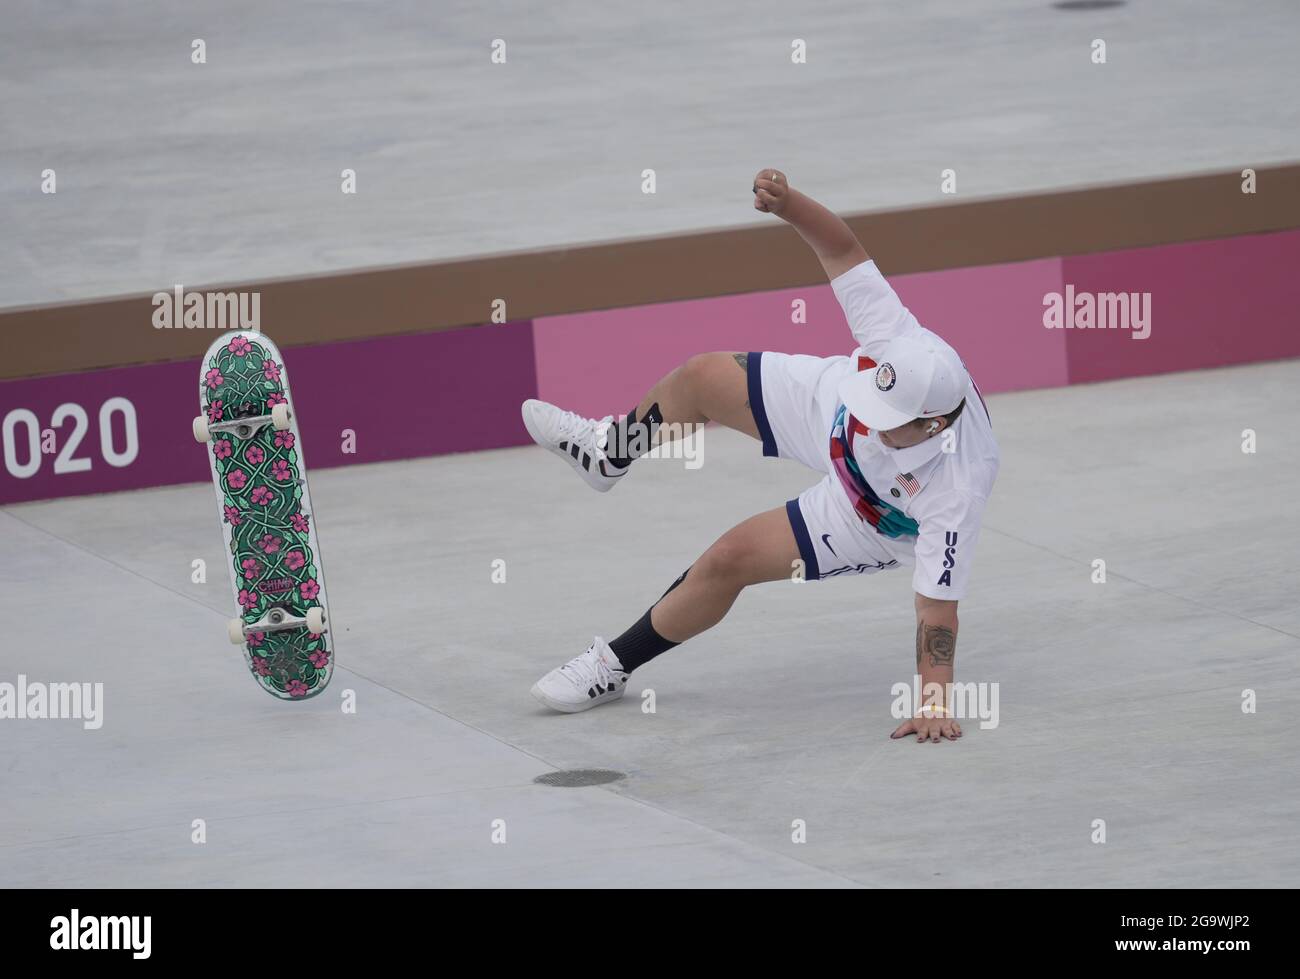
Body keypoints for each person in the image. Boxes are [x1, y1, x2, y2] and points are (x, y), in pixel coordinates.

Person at [521, 169, 999, 742]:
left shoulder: (956, 489)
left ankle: (612, 665)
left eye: (891, 422)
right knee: (701, 378)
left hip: (871, 513)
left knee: (730, 558)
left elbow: (936, 611)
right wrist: (790, 204)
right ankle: (609, 453)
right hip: (831, 409)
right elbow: (843, 247)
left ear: (935, 424)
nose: (879, 424)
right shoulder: (897, 341)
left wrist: (933, 703)